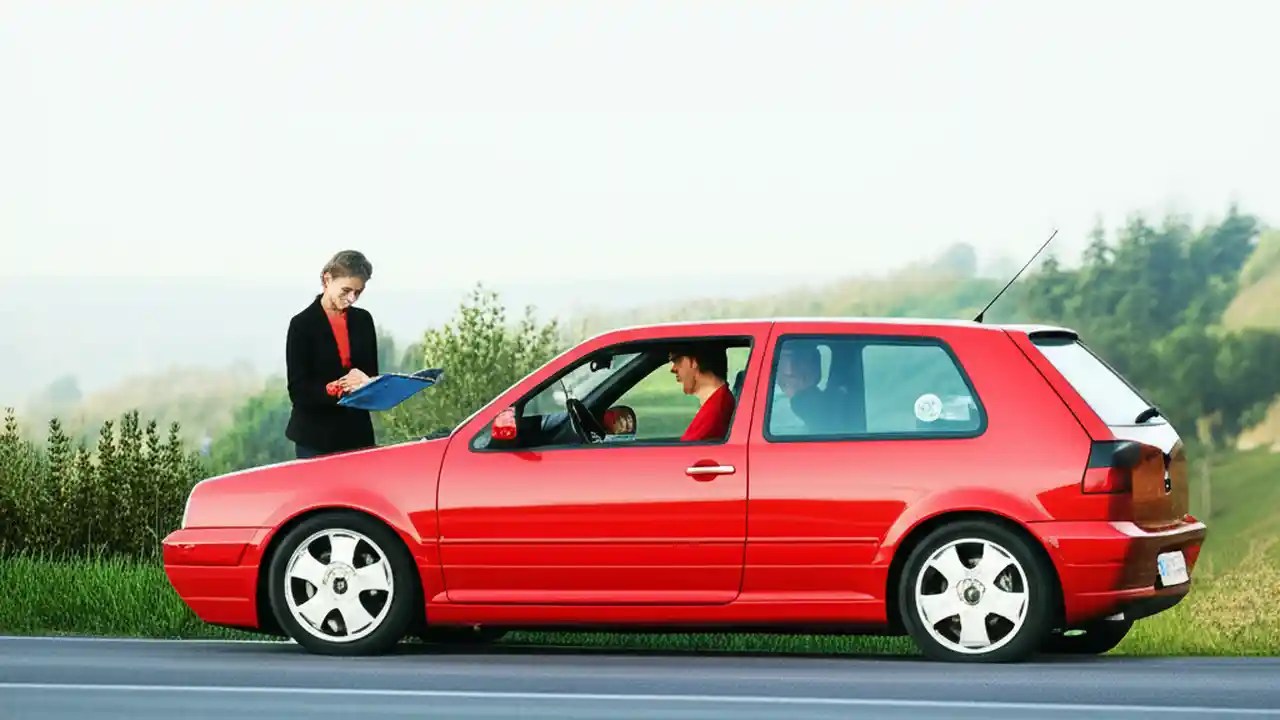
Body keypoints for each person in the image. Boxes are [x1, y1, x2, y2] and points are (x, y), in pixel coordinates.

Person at [285, 250, 379, 459]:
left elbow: (371, 373)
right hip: (315, 440)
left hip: (358, 436)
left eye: (358, 292)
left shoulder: (364, 321)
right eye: (346, 290)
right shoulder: (302, 325)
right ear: (327, 279)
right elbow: (298, 391)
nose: (352, 298)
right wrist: (336, 388)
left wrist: (372, 384)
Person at [669, 342, 736, 442]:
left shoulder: (713, 414)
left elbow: (685, 453)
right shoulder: (719, 402)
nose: (673, 369)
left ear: (693, 362)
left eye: (678, 361)